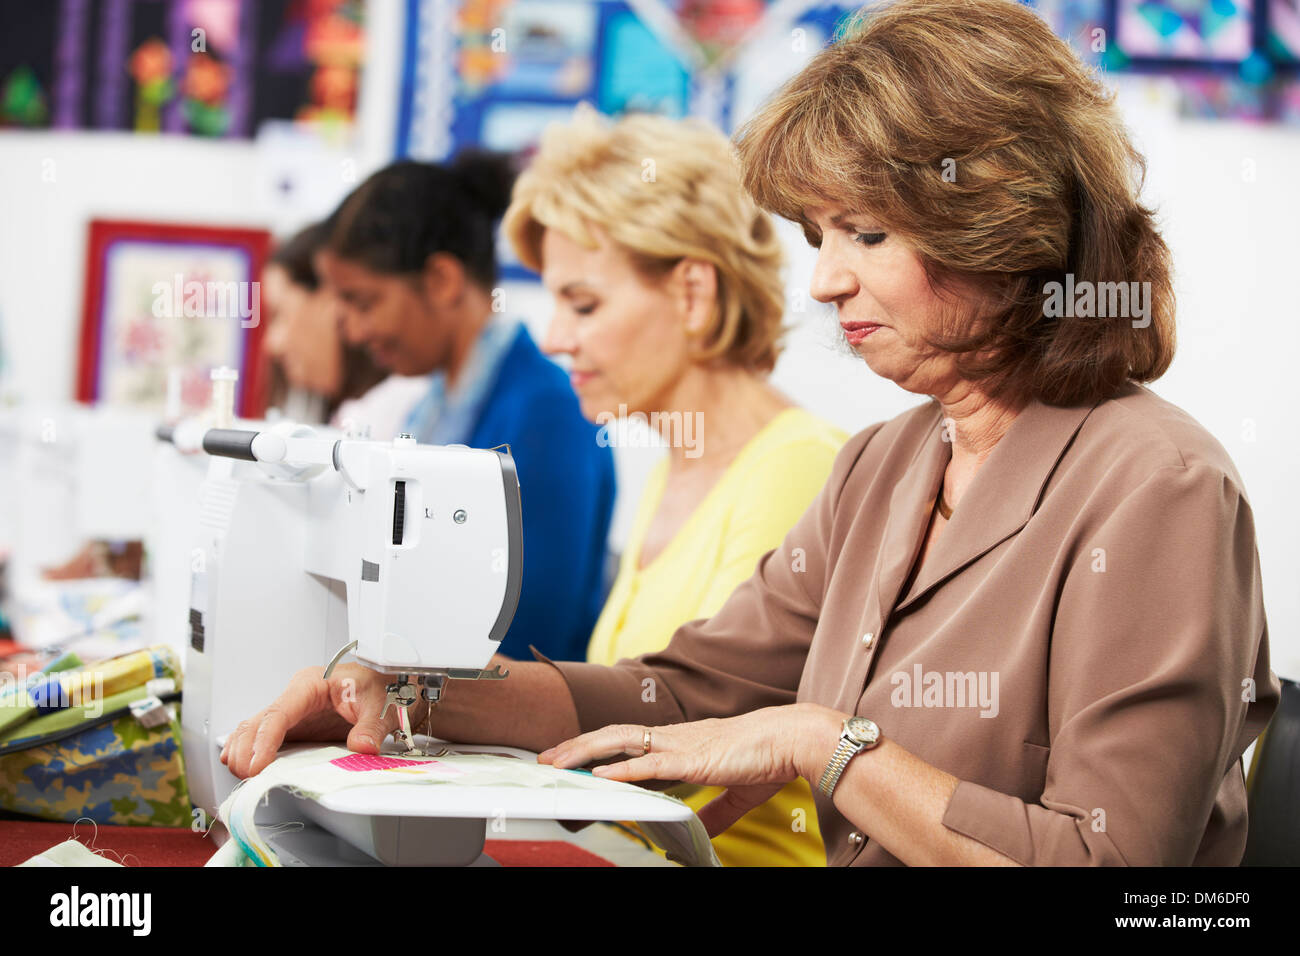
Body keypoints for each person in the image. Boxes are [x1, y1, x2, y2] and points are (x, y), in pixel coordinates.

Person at [223, 0, 1279, 866]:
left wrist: (826, 743)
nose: (823, 278)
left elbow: (1117, 869)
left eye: (866, 233)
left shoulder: (1159, 486)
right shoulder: (886, 465)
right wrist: (413, 697)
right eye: (820, 237)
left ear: (1002, 224)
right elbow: (683, 690)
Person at [500, 106, 847, 865]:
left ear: (693, 294)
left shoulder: (796, 469)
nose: (556, 337)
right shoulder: (668, 470)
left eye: (582, 303)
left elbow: (706, 726)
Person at [313, 154, 616, 662]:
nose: (356, 332)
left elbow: (530, 638)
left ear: (441, 281)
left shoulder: (545, 416)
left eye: (364, 302)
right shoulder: (434, 408)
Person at [261, 222, 424, 438]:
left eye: (280, 314)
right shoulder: (346, 416)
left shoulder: (406, 408)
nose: (272, 343)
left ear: (333, 297)